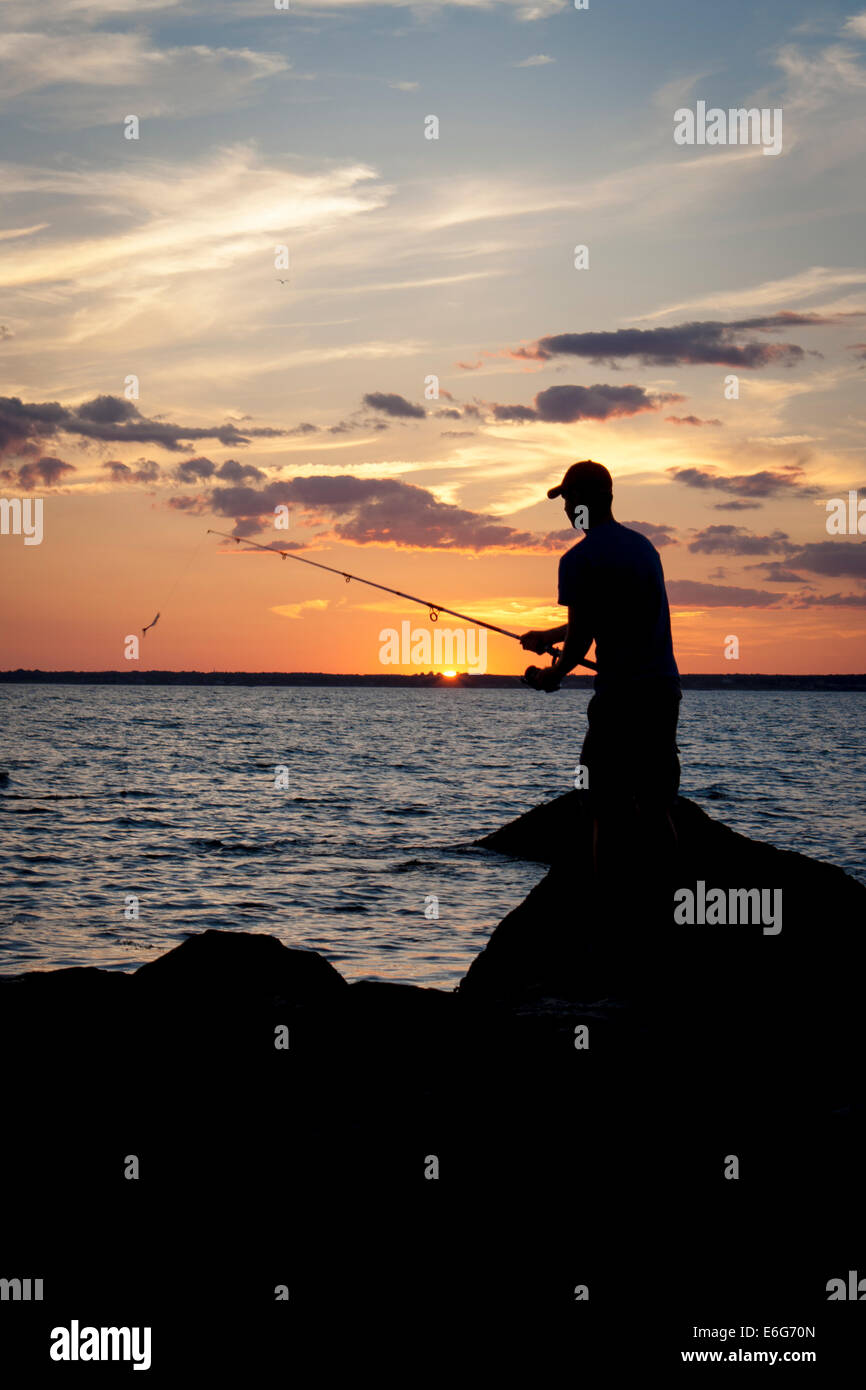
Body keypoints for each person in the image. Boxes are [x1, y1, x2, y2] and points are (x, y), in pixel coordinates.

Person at [520, 459, 682, 877]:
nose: (565, 507)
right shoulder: (643, 547)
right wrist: (549, 638)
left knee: (601, 804)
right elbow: (601, 618)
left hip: (620, 699)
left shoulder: (579, 559)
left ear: (588, 500)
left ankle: (606, 908)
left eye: (569, 497)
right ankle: (672, 900)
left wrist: (550, 676)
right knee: (654, 803)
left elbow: (582, 639)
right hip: (663, 691)